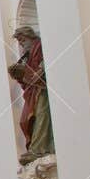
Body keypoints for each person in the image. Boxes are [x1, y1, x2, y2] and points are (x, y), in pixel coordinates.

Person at [7, 26, 54, 164]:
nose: (21, 44)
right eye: (20, 42)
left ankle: (39, 149)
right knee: (25, 121)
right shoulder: (26, 56)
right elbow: (27, 82)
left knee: (41, 115)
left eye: (22, 40)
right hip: (33, 92)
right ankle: (36, 147)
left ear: (29, 36)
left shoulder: (39, 46)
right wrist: (20, 75)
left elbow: (45, 66)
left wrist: (30, 72)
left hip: (42, 90)